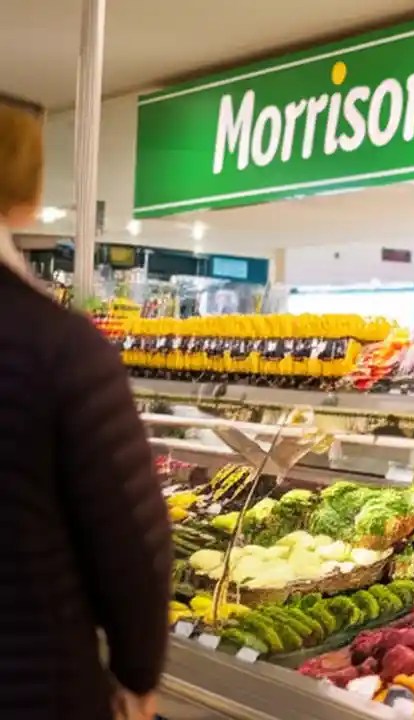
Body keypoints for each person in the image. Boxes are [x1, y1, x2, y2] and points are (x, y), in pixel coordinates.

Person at [0, 92, 172, 720]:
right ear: (27, 199)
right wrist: (137, 671)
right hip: (35, 684)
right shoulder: (60, 348)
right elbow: (129, 535)